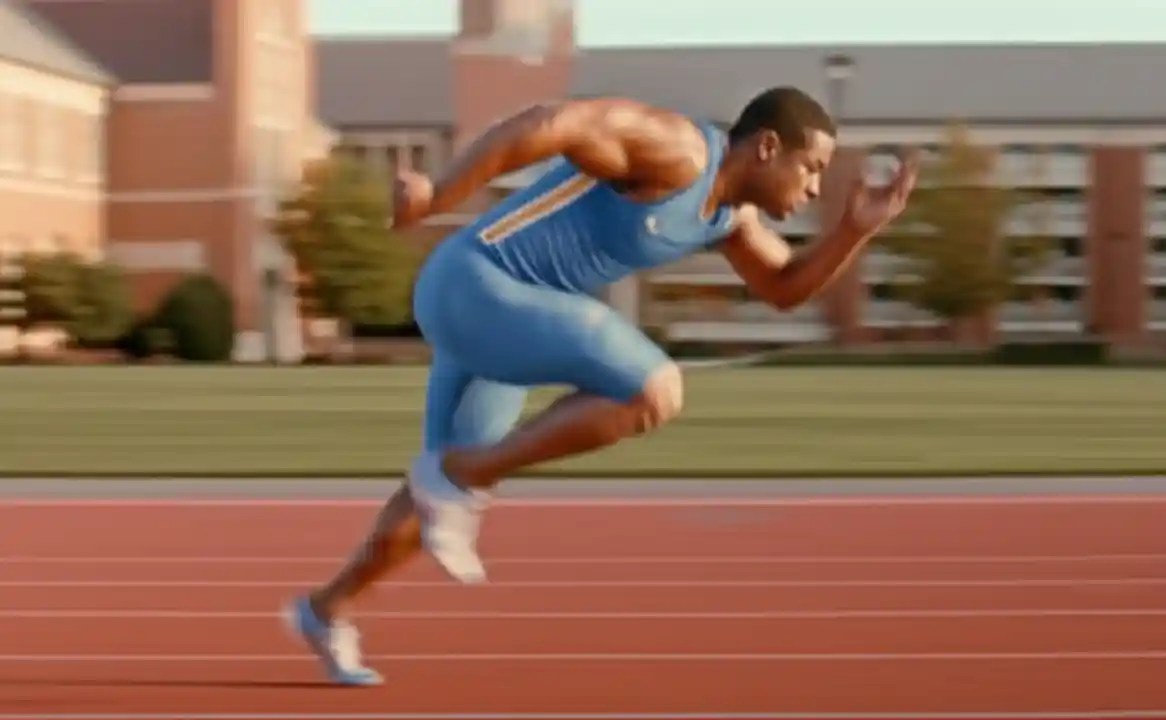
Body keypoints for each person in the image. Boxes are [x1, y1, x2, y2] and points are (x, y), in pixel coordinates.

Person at [283, 86, 918, 685]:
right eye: (812, 169)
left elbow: (784, 289)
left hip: (506, 319)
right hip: (474, 286)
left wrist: (854, 231)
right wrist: (439, 193)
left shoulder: (729, 216)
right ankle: (466, 475)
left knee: (433, 501)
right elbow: (552, 123)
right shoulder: (677, 150)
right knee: (654, 390)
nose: (813, 189)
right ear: (768, 147)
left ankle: (327, 609)